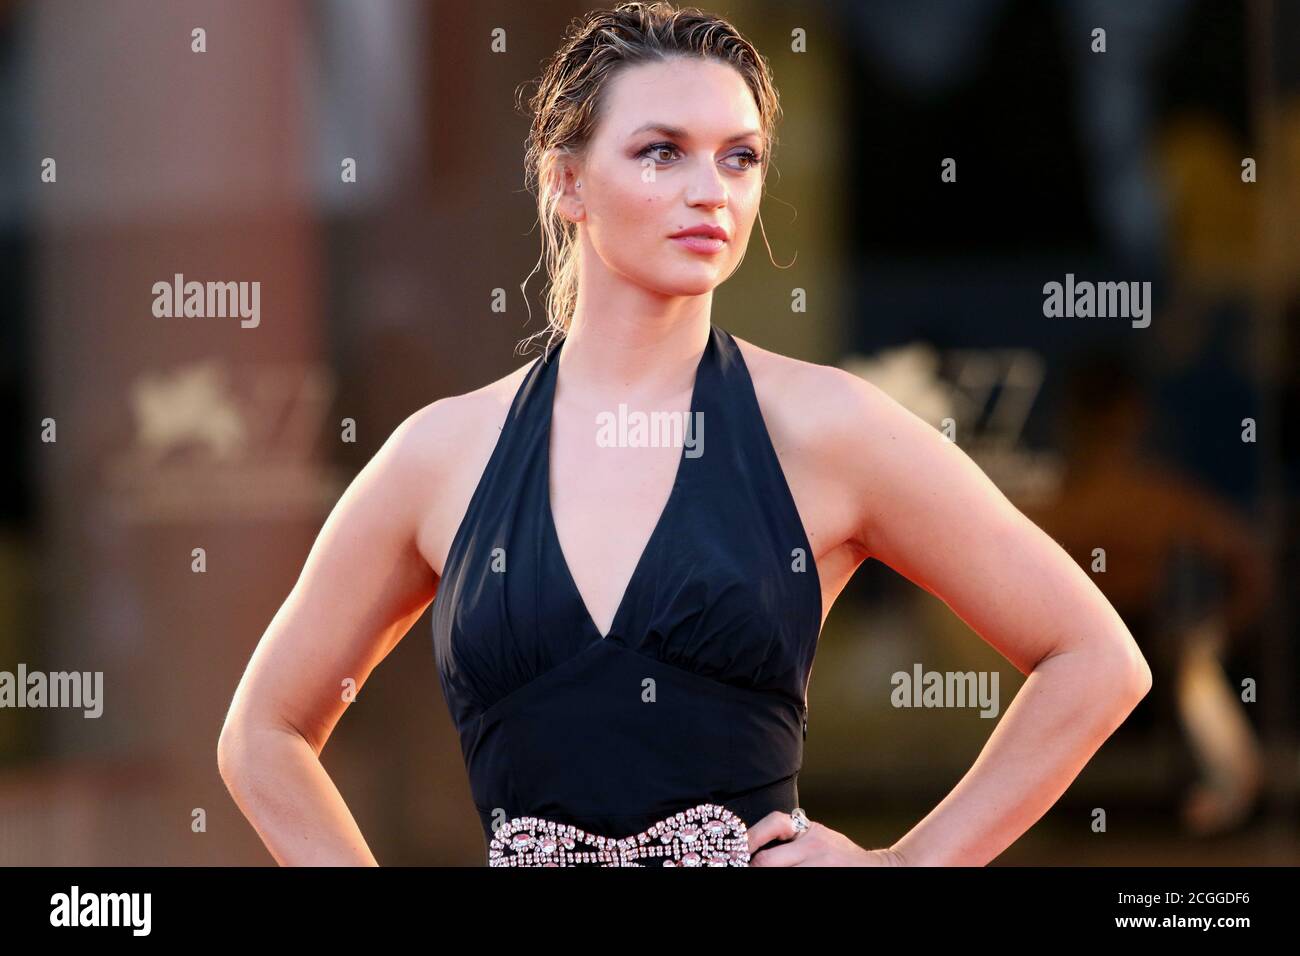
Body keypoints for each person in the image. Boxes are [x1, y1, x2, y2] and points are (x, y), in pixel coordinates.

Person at [217, 1, 1151, 867]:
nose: (712, 191)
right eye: (662, 151)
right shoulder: (441, 454)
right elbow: (264, 734)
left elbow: (1095, 661)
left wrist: (905, 865)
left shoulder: (828, 429)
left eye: (739, 157)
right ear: (567, 180)